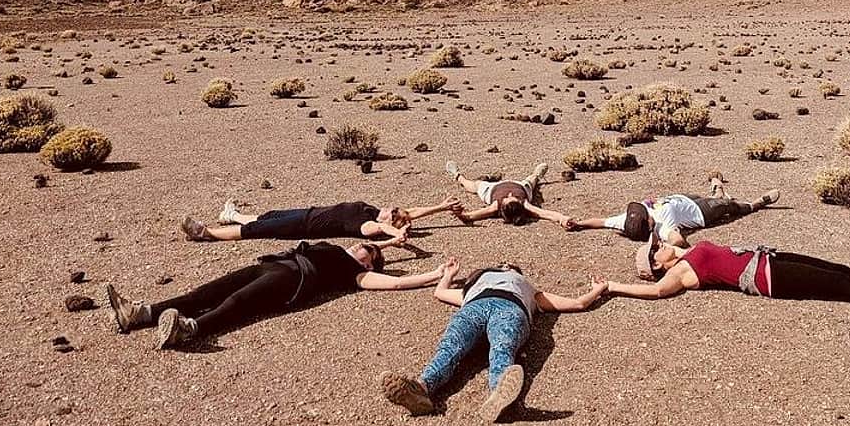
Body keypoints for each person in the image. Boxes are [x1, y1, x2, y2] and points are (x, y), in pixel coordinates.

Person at [104, 240, 452, 349]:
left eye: (370, 255)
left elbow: (392, 284)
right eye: (364, 246)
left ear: (370, 266)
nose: (363, 250)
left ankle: (191, 330)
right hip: (274, 264)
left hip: (294, 279)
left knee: (238, 304)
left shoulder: (355, 273)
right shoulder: (338, 247)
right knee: (204, 290)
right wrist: (391, 240)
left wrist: (435, 275)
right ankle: (142, 313)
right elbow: (373, 235)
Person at [380, 260, 608, 422]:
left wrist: (598, 290)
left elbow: (577, 303)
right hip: (476, 305)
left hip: (510, 307)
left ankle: (499, 396)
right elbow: (440, 292)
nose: (506, 267)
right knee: (450, 348)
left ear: (517, 272)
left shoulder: (532, 290)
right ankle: (420, 389)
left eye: (510, 267)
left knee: (502, 348)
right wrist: (449, 274)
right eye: (503, 265)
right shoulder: (474, 286)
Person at [606, 234, 850, 307]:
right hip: (769, 279)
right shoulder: (678, 272)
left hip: (769, 259)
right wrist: (613, 285)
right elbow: (654, 292)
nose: (661, 244)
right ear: (656, 262)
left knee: (843, 269)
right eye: (656, 249)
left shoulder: (685, 249)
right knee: (841, 285)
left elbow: (671, 229)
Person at [566, 176, 781, 244]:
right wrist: (662, 242)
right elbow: (678, 241)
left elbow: (601, 221)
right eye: (645, 215)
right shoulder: (661, 228)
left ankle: (717, 191)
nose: (645, 211)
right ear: (648, 225)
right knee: (728, 207)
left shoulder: (628, 219)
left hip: (683, 198)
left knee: (708, 197)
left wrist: (579, 224)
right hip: (701, 213)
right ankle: (754, 204)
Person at [179, 195, 464, 242]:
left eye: (394, 214)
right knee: (267, 216)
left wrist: (395, 233)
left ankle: (208, 234)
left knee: (257, 230)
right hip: (308, 212)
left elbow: (380, 227)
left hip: (303, 226)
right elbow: (412, 213)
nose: (393, 208)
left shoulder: (367, 225)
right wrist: (440, 207)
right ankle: (232, 215)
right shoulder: (373, 210)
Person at [448, 161, 569, 227]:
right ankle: (537, 175)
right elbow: (546, 214)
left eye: (507, 198)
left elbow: (470, 216)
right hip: (521, 186)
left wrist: (460, 213)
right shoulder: (524, 203)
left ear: (502, 206)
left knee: (475, 185)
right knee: (531, 182)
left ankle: (458, 176)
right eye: (513, 198)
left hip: (491, 189)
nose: (510, 194)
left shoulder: (496, 206)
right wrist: (562, 218)